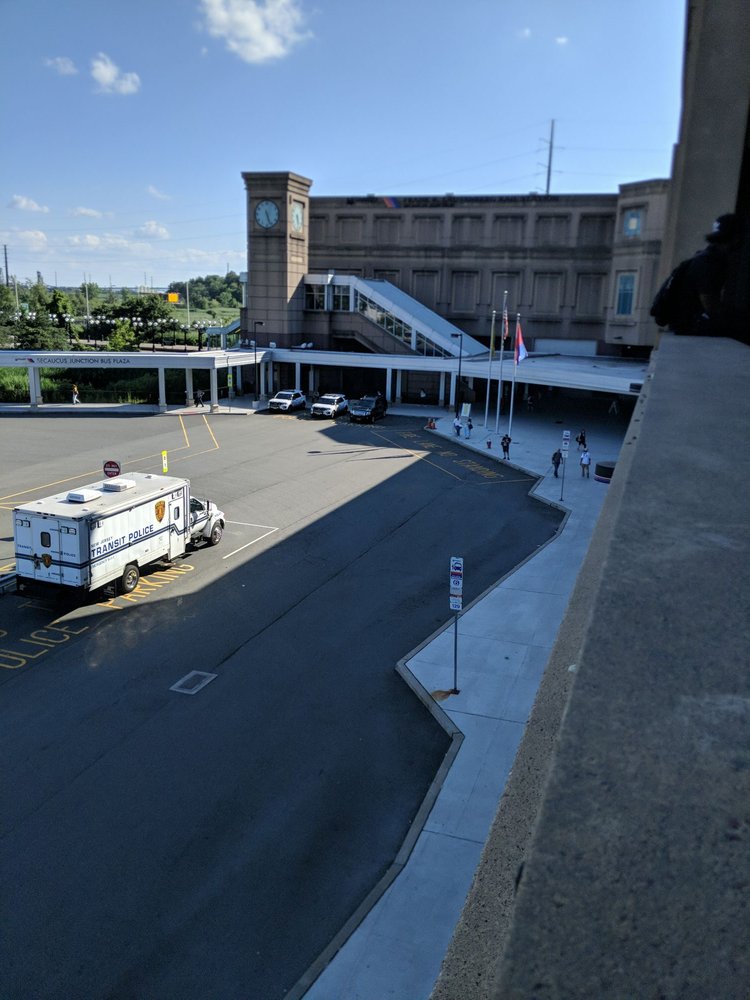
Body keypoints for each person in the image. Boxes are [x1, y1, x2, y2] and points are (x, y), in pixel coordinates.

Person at [668, 213, 741, 337]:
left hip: (686, 325)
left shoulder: (704, 257)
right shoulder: (710, 261)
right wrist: (726, 324)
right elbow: (708, 300)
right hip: (691, 326)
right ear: (734, 238)